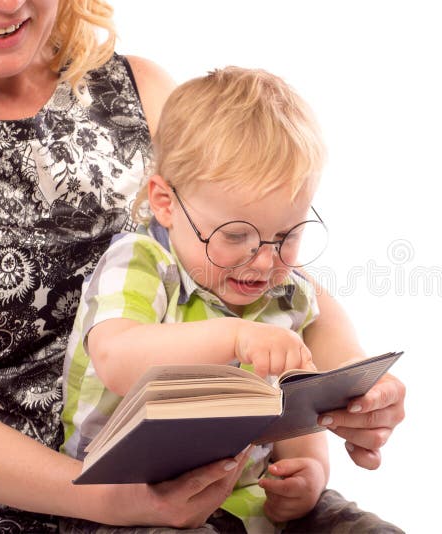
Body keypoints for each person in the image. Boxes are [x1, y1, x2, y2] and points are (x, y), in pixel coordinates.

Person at [0, 0, 406, 532]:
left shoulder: (139, 89)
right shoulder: (137, 267)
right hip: (33, 500)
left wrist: (354, 398)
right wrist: (115, 504)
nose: (5, 3)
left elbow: (280, 293)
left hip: (232, 479)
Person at [59, 66, 402, 533]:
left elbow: (304, 399)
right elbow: (118, 358)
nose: (263, 263)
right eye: (235, 234)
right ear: (165, 203)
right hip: (128, 506)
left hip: (247, 502)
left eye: (287, 236)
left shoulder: (285, 290)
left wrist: (310, 471)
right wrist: (235, 335)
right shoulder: (140, 262)